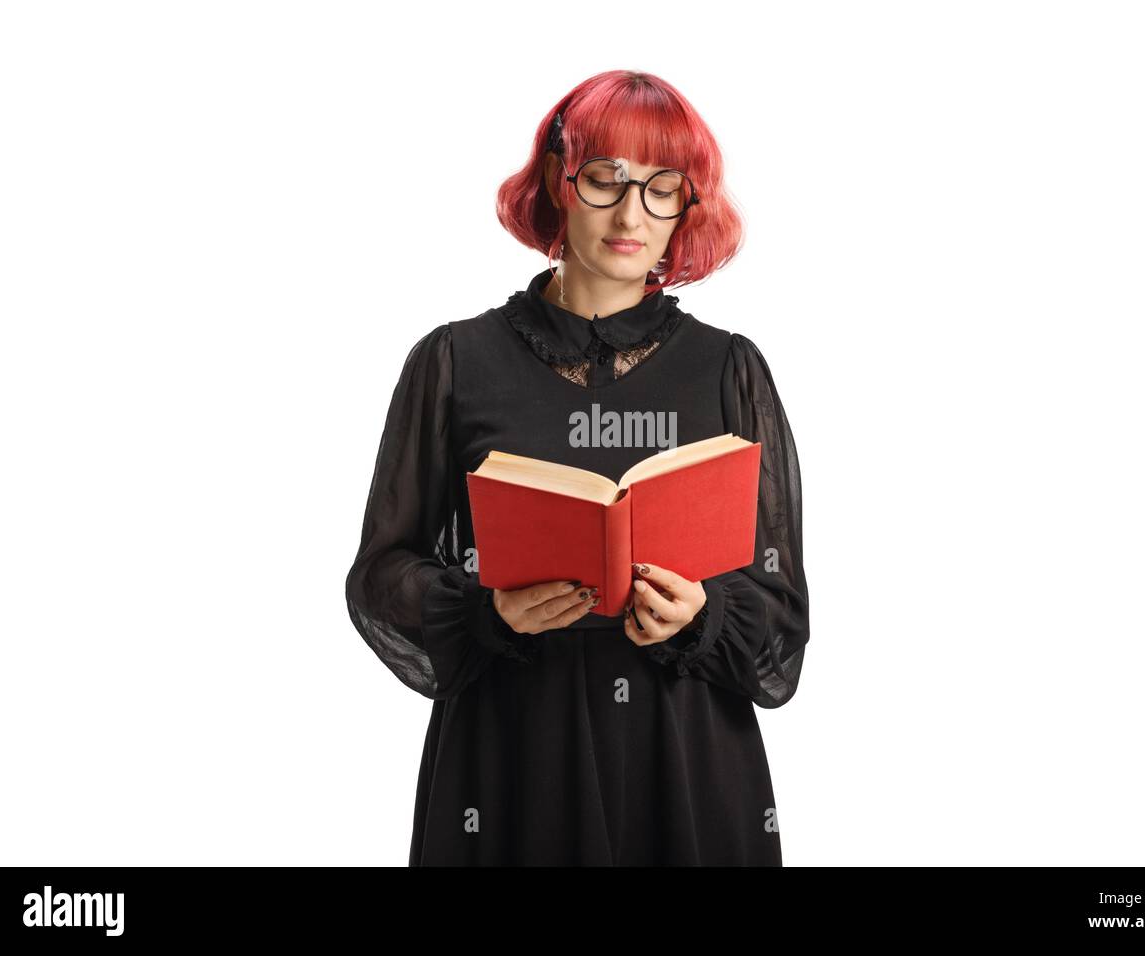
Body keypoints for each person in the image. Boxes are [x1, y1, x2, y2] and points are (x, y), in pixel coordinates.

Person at [344, 69, 808, 865]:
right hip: (514, 753)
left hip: (684, 755)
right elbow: (381, 577)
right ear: (560, 184)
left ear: (684, 212)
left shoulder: (731, 369)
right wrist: (490, 612)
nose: (632, 213)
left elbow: (781, 621)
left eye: (663, 189)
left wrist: (702, 614)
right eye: (606, 179)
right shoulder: (454, 360)